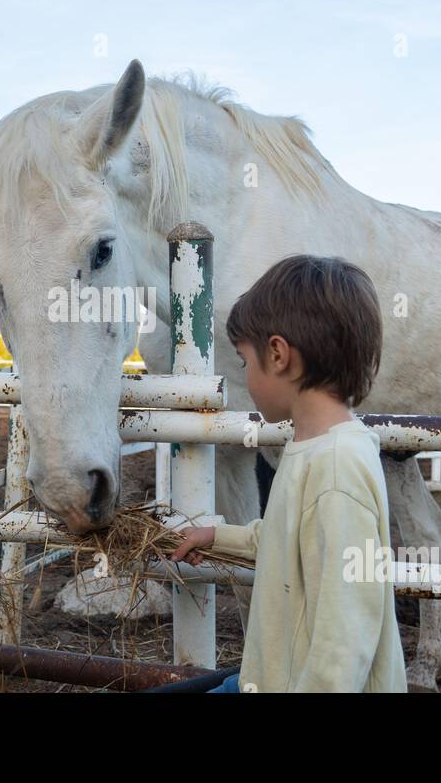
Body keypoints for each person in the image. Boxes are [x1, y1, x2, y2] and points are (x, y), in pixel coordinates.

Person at [170, 255, 407, 692]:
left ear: (278, 354)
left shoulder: (336, 470)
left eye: (244, 362)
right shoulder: (314, 446)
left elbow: (344, 643)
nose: (246, 379)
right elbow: (286, 540)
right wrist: (218, 537)